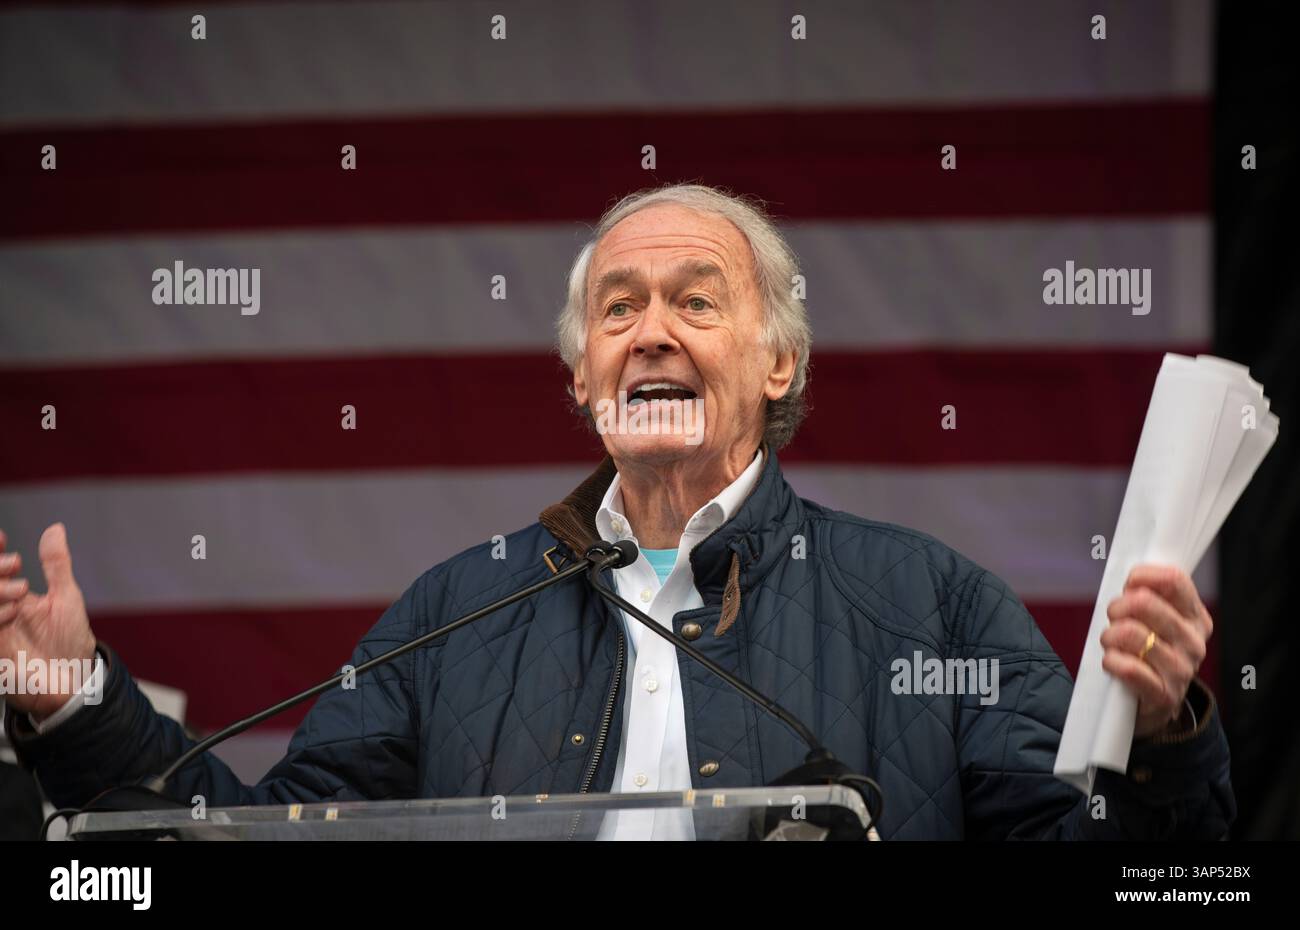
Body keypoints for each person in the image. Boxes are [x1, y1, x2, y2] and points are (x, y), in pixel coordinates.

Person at [0, 184, 1232, 839]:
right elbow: (256, 845)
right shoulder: (454, 611)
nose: (650, 330)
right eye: (618, 309)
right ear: (583, 379)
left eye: (697, 302)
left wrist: (1166, 737)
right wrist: (78, 706)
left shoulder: (931, 604)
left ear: (776, 364)